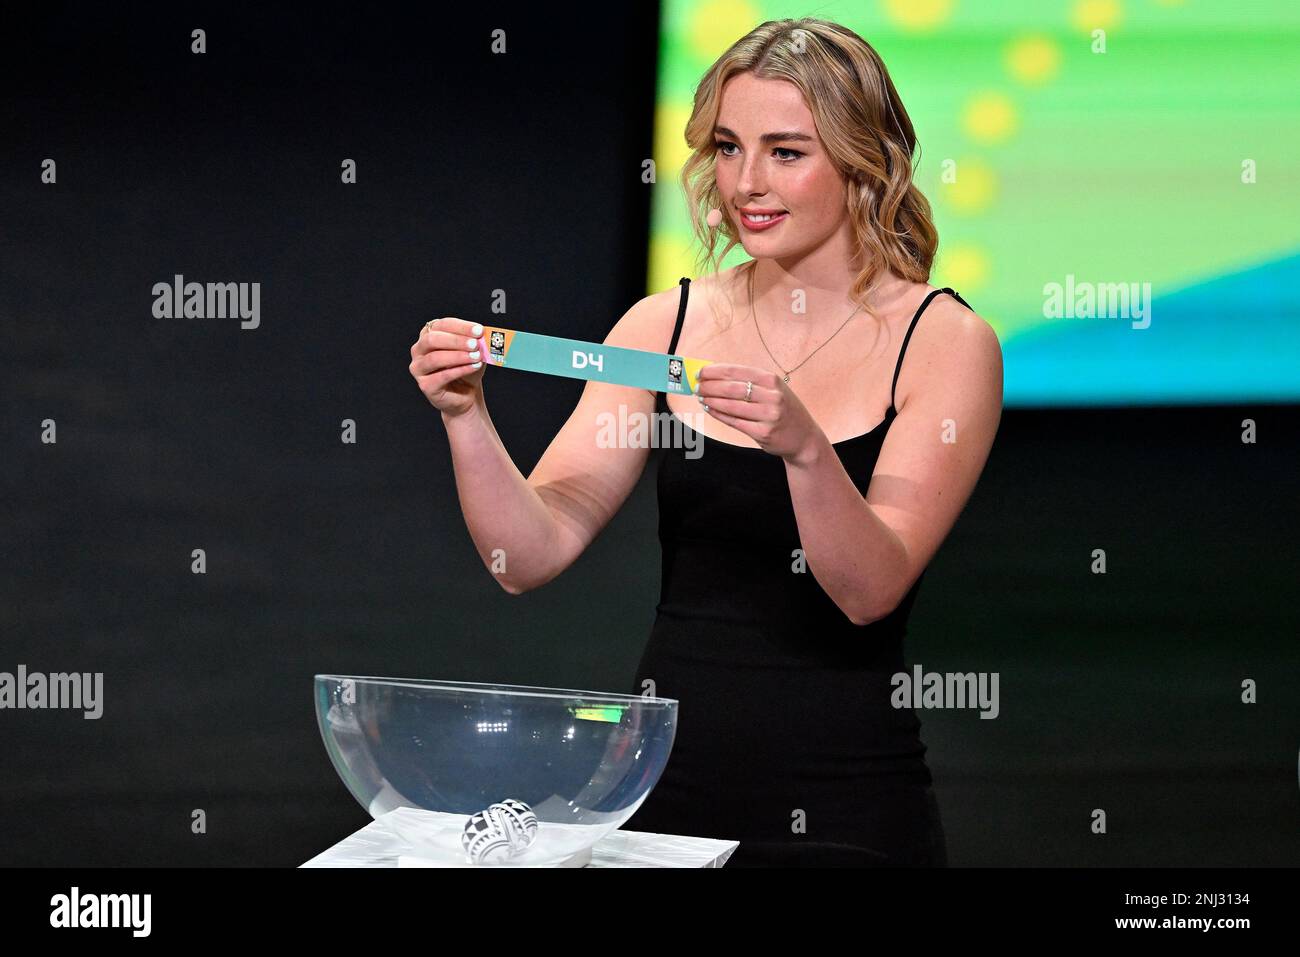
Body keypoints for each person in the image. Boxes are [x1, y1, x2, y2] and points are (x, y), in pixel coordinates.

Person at [407, 17, 1002, 867]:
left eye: (786, 152)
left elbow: (868, 591)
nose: (747, 183)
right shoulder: (665, 323)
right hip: (664, 798)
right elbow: (526, 555)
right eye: (728, 148)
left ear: (862, 161)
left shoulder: (944, 342)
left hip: (849, 802)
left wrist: (805, 451)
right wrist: (465, 416)